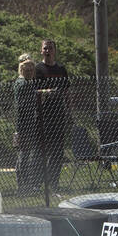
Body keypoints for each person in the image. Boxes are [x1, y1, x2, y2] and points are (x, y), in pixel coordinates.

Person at [35, 39, 70, 187]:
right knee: (41, 150)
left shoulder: (61, 69)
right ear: (41, 51)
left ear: (55, 51)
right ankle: (38, 182)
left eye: (50, 48)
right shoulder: (38, 69)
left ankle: (53, 182)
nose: (48, 51)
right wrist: (47, 92)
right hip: (43, 114)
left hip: (58, 114)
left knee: (57, 151)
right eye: (45, 48)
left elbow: (66, 91)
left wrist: (69, 110)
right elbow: (34, 90)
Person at [12, 54, 42, 195]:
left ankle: (26, 184)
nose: (29, 72)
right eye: (27, 70)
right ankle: (22, 185)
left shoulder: (29, 82)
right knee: (23, 155)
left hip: (30, 122)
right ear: (21, 70)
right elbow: (21, 106)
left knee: (26, 155)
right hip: (24, 124)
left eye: (31, 70)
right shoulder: (22, 84)